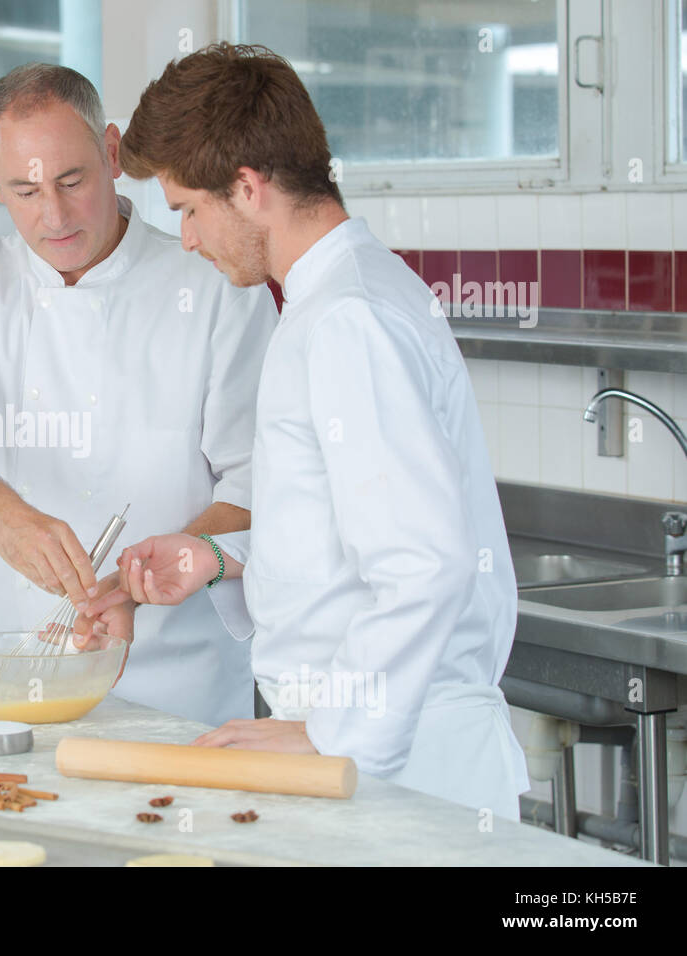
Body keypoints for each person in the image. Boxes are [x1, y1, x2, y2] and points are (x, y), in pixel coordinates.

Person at [76, 43, 530, 819]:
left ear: (248, 189)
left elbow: (426, 563)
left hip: (402, 766)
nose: (185, 238)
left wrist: (331, 737)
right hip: (361, 750)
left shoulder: (349, 320)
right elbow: (344, 538)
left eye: (187, 208)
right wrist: (214, 559)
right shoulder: (331, 302)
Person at [0, 63, 277, 726]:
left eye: (72, 181)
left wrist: (134, 586)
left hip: (181, 694)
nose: (55, 216)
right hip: (16, 685)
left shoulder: (215, 286)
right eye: (26, 189)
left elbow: (254, 491)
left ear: (113, 152)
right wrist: (3, 515)